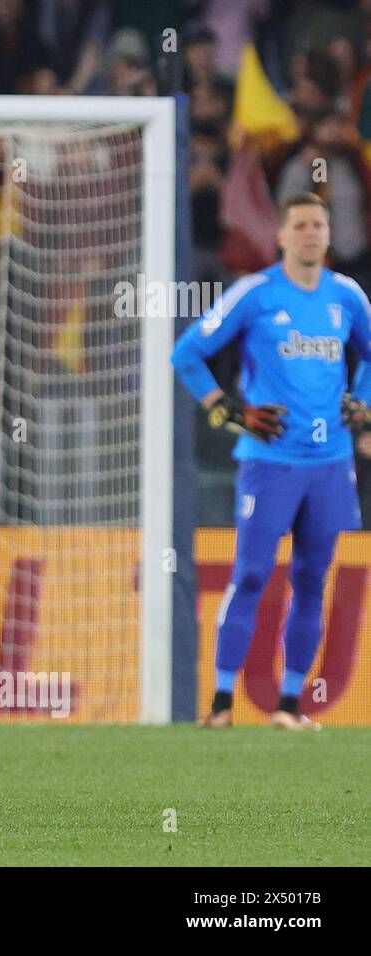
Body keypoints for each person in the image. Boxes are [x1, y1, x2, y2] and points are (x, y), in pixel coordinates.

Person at [171, 192, 371, 731]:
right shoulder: (255, 294)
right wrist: (226, 410)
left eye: (318, 225)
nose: (310, 233)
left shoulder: (346, 297)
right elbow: (186, 353)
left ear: (329, 236)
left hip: (330, 465)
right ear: (280, 236)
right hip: (270, 461)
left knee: (312, 579)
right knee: (253, 574)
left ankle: (288, 705)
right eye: (300, 225)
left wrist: (363, 399)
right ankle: (220, 703)